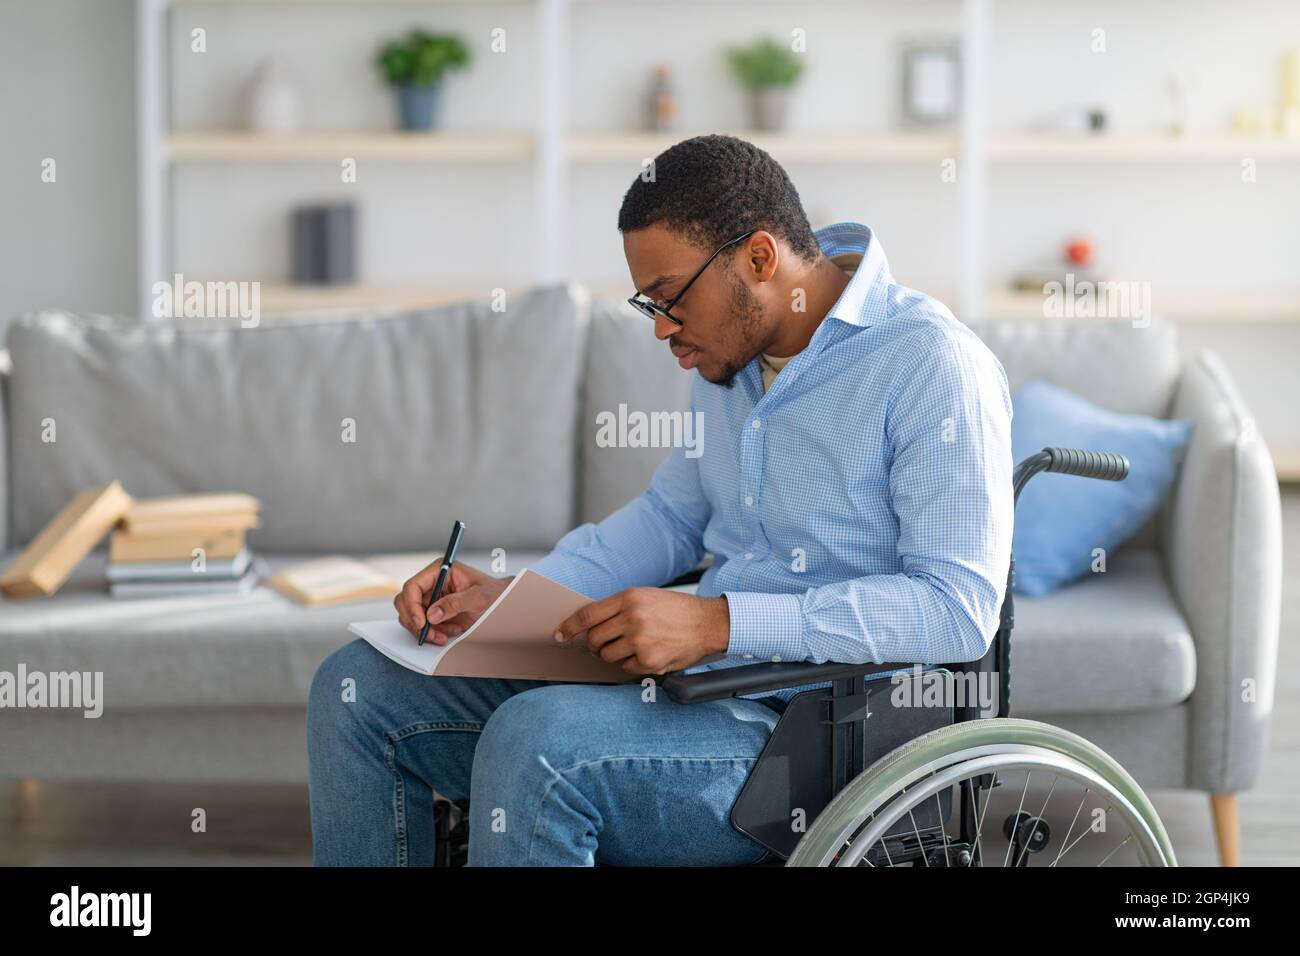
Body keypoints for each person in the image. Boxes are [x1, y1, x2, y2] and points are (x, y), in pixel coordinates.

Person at [307, 133, 1013, 866]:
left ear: (760, 260)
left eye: (673, 299)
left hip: (819, 742)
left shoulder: (931, 365)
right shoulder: (732, 360)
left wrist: (718, 623)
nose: (662, 329)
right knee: (357, 689)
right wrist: (516, 600)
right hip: (695, 694)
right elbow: (671, 517)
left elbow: (956, 609)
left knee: (539, 741)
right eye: (649, 303)